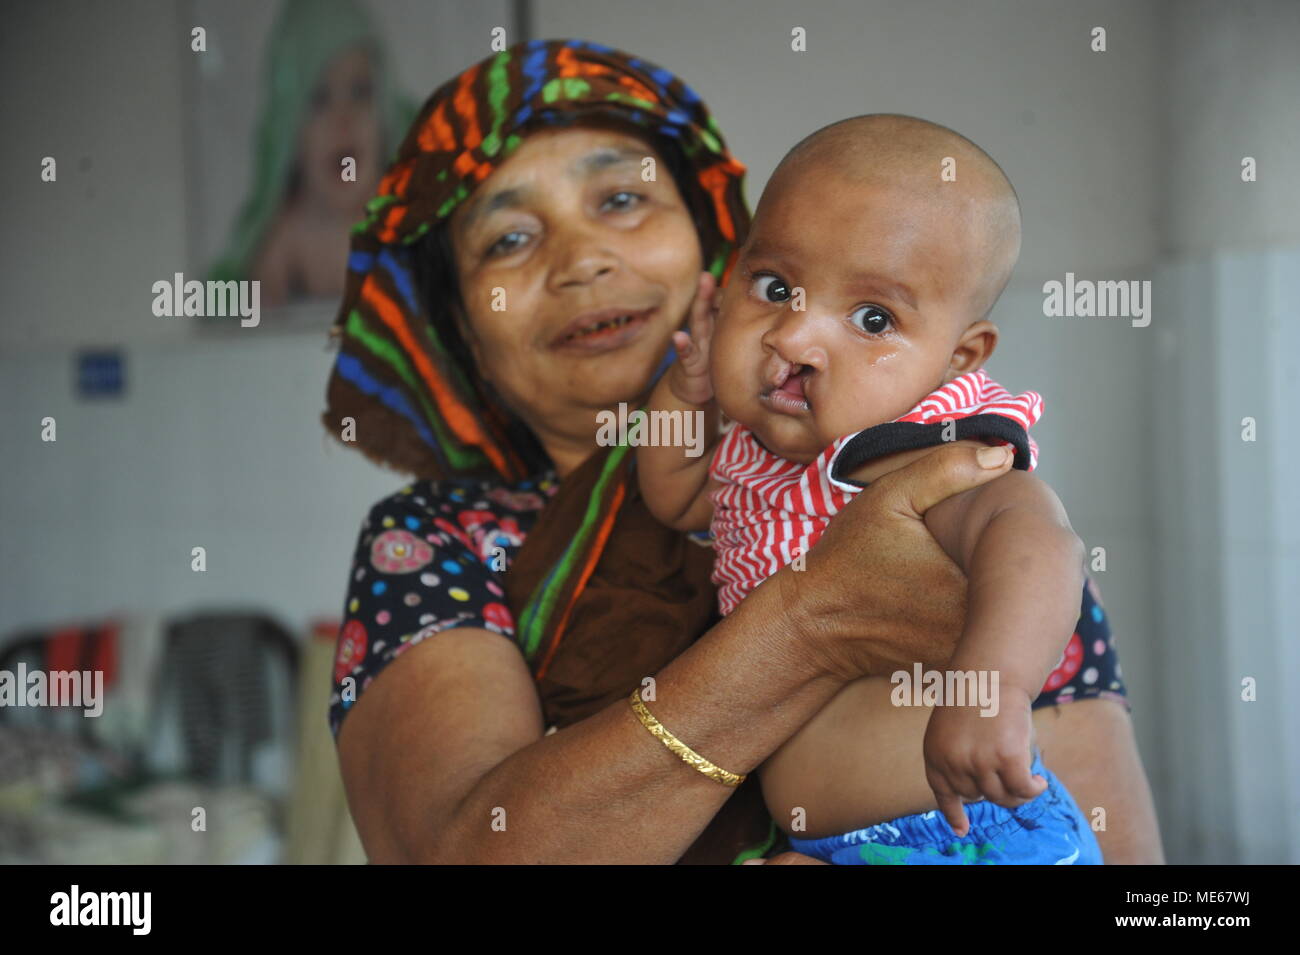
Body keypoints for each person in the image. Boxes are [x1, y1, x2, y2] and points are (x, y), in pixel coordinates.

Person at [320, 39, 1163, 864]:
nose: (581, 261)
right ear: (460, 324)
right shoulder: (437, 543)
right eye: (507, 240)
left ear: (706, 241)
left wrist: (992, 688)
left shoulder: (932, 473)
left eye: (620, 200)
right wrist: (805, 623)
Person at [638, 113, 1102, 864]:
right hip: (836, 843)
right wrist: (684, 394)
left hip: (959, 831)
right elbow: (676, 497)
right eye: (774, 285)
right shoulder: (754, 454)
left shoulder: (913, 449)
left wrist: (991, 691)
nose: (793, 338)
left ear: (959, 356)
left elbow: (1039, 539)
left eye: (873, 317)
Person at [208, 0, 415, 309]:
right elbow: (253, 335)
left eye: (360, 92)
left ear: (385, 119)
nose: (343, 119)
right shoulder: (291, 235)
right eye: (320, 100)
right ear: (291, 139)